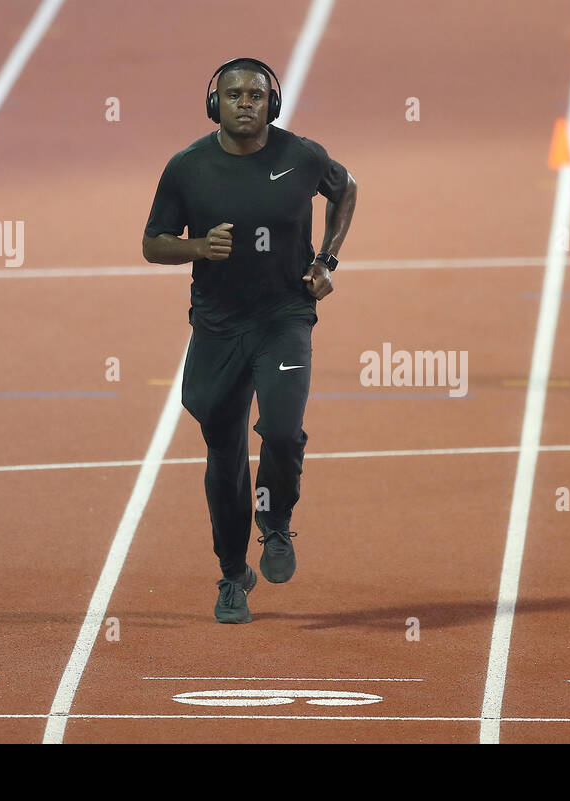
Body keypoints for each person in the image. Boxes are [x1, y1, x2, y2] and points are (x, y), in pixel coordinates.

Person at [141, 57, 358, 624]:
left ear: (272, 103)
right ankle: (232, 572)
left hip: (285, 317)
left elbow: (347, 188)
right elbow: (152, 243)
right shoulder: (187, 168)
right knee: (225, 454)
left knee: (283, 431)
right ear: (216, 103)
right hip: (218, 327)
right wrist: (196, 248)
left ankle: (278, 525)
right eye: (233, 94)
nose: (245, 103)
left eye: (256, 95)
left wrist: (327, 259)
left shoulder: (302, 156)